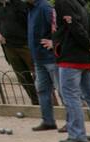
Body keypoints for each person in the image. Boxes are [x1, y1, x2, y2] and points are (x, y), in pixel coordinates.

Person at [51, 0, 90, 142]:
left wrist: (89, 45)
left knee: (70, 95)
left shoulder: (63, 2)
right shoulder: (81, 3)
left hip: (71, 56)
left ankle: (77, 134)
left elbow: (74, 27)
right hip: (83, 57)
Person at [0, 0, 38, 106]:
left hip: (26, 45)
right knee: (22, 76)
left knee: (39, 74)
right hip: (9, 46)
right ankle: (36, 102)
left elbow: (33, 23)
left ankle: (49, 103)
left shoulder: (21, 5)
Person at [26, 0, 59, 131]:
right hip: (38, 58)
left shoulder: (45, 7)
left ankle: (71, 121)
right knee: (42, 90)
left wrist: (54, 42)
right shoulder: (30, 8)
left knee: (63, 90)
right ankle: (48, 121)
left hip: (50, 57)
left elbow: (57, 26)